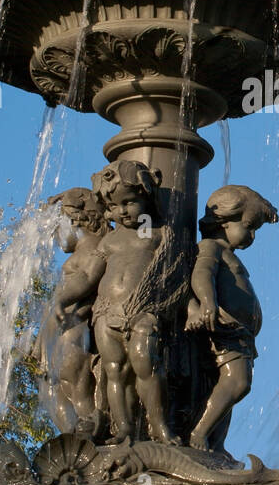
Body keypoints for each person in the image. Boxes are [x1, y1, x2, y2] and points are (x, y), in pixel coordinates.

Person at [55, 161, 184, 444]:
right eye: (114, 206)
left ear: (146, 196)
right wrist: (63, 297)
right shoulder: (109, 241)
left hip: (143, 308)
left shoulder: (160, 234)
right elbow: (89, 274)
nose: (122, 211)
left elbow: (175, 274)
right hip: (106, 311)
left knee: (145, 363)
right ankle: (123, 428)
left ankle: (160, 426)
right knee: (115, 370)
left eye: (130, 202)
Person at [186, 185, 278, 451]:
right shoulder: (210, 248)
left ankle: (215, 442)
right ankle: (198, 433)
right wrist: (207, 302)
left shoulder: (227, 253)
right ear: (224, 219)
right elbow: (201, 275)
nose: (251, 235)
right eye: (249, 226)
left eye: (255, 231)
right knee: (237, 383)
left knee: (228, 387)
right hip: (223, 326)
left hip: (239, 333)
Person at [35, 187, 109, 436]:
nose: (54, 236)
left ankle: (90, 428)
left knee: (73, 382)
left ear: (77, 219)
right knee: (54, 387)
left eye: (58, 227)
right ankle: (70, 436)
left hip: (74, 328)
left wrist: (61, 299)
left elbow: (87, 277)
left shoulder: (94, 247)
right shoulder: (81, 251)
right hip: (59, 328)